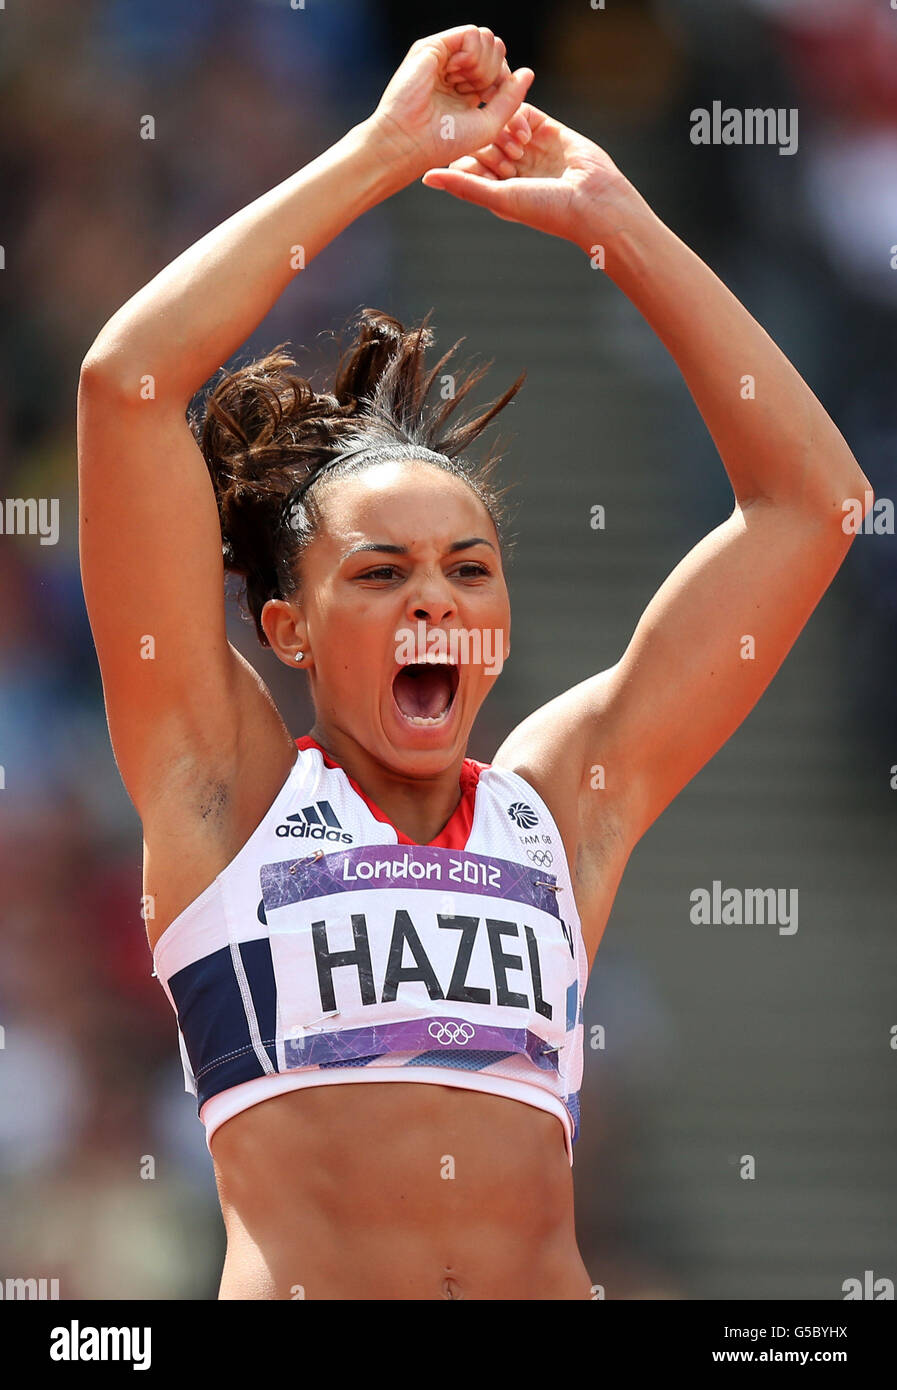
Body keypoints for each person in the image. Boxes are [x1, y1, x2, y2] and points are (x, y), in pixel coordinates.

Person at [77, 24, 871, 1300]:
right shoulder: (225, 797)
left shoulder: (558, 807)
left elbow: (812, 506)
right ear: (286, 630)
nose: (434, 599)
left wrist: (616, 219)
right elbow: (127, 384)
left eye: (469, 566)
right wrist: (384, 152)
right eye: (379, 574)